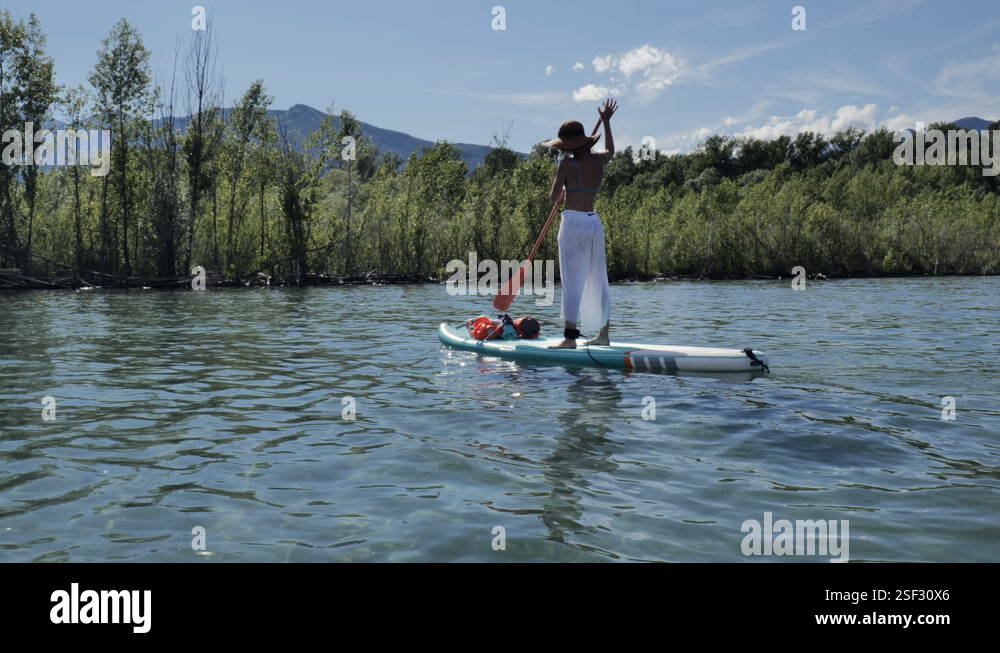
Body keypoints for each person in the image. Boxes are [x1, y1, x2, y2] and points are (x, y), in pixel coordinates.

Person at [544, 98, 617, 349]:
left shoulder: (566, 164)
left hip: (573, 222)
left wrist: (564, 193)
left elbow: (554, 197)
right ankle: (604, 335)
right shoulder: (599, 161)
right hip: (594, 222)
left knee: (572, 278)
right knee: (598, 276)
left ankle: (570, 338)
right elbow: (610, 151)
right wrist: (606, 123)